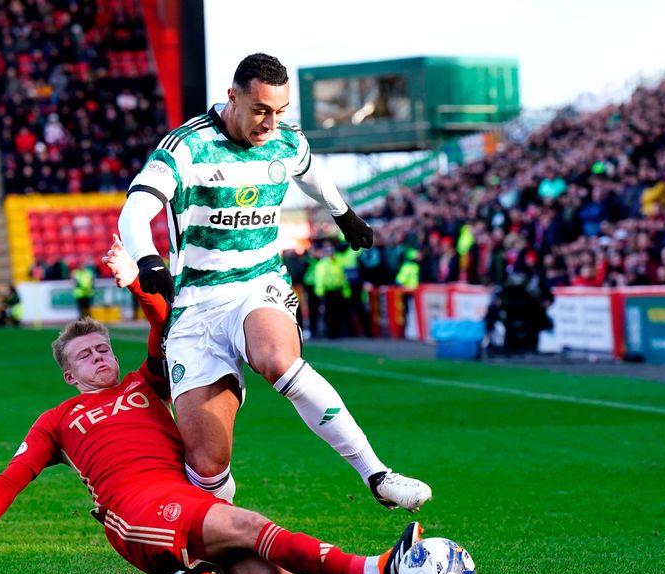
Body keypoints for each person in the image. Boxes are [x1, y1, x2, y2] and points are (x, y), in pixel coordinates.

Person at [0, 249, 423, 574]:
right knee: (249, 525)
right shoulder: (57, 421)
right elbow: (8, 481)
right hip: (134, 513)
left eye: (103, 349)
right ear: (69, 375)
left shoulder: (144, 382)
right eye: (86, 356)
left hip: (182, 495)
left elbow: (164, 326)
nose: (100, 357)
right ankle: (379, 572)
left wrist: (135, 282)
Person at [117, 52, 430, 511]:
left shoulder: (285, 139)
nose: (270, 123)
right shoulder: (187, 146)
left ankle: (377, 473)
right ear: (232, 97)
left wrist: (343, 213)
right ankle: (220, 537)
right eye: (261, 109)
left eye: (280, 111)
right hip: (197, 304)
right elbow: (135, 210)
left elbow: (310, 171)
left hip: (258, 283)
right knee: (207, 464)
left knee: (277, 359)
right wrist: (148, 259)